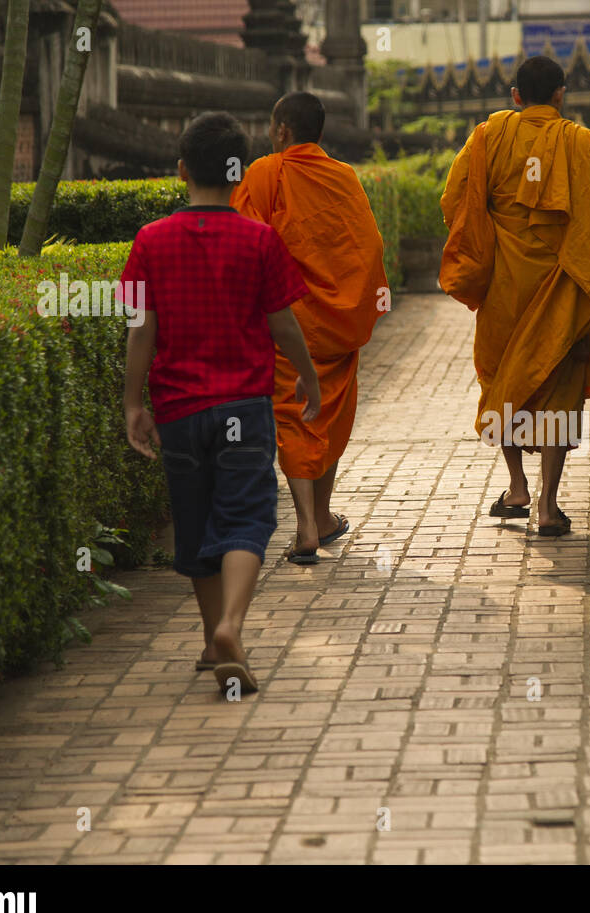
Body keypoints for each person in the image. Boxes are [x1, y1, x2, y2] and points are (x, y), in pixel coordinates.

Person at [121, 111, 321, 696]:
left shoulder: (150, 240)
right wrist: (306, 376)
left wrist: (134, 403)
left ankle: (214, 640)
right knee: (246, 517)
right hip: (244, 409)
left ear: (182, 169)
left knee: (197, 522)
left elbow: (141, 329)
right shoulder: (259, 238)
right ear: (238, 175)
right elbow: (282, 322)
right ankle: (231, 627)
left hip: (181, 410)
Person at [440, 55, 590, 536]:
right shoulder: (579, 142)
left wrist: (487, 239)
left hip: (504, 289)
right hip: (559, 289)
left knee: (503, 381)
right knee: (557, 391)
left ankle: (516, 484)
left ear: (516, 95)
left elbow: (455, 200)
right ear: (561, 94)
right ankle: (546, 504)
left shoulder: (490, 136)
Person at [231, 91, 389, 564]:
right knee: (328, 414)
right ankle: (319, 516)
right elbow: (369, 246)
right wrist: (355, 304)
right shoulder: (343, 176)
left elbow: (245, 244)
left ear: (282, 131)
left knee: (294, 417)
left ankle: (307, 525)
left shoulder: (262, 173)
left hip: (288, 326)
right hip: (337, 322)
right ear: (321, 133)